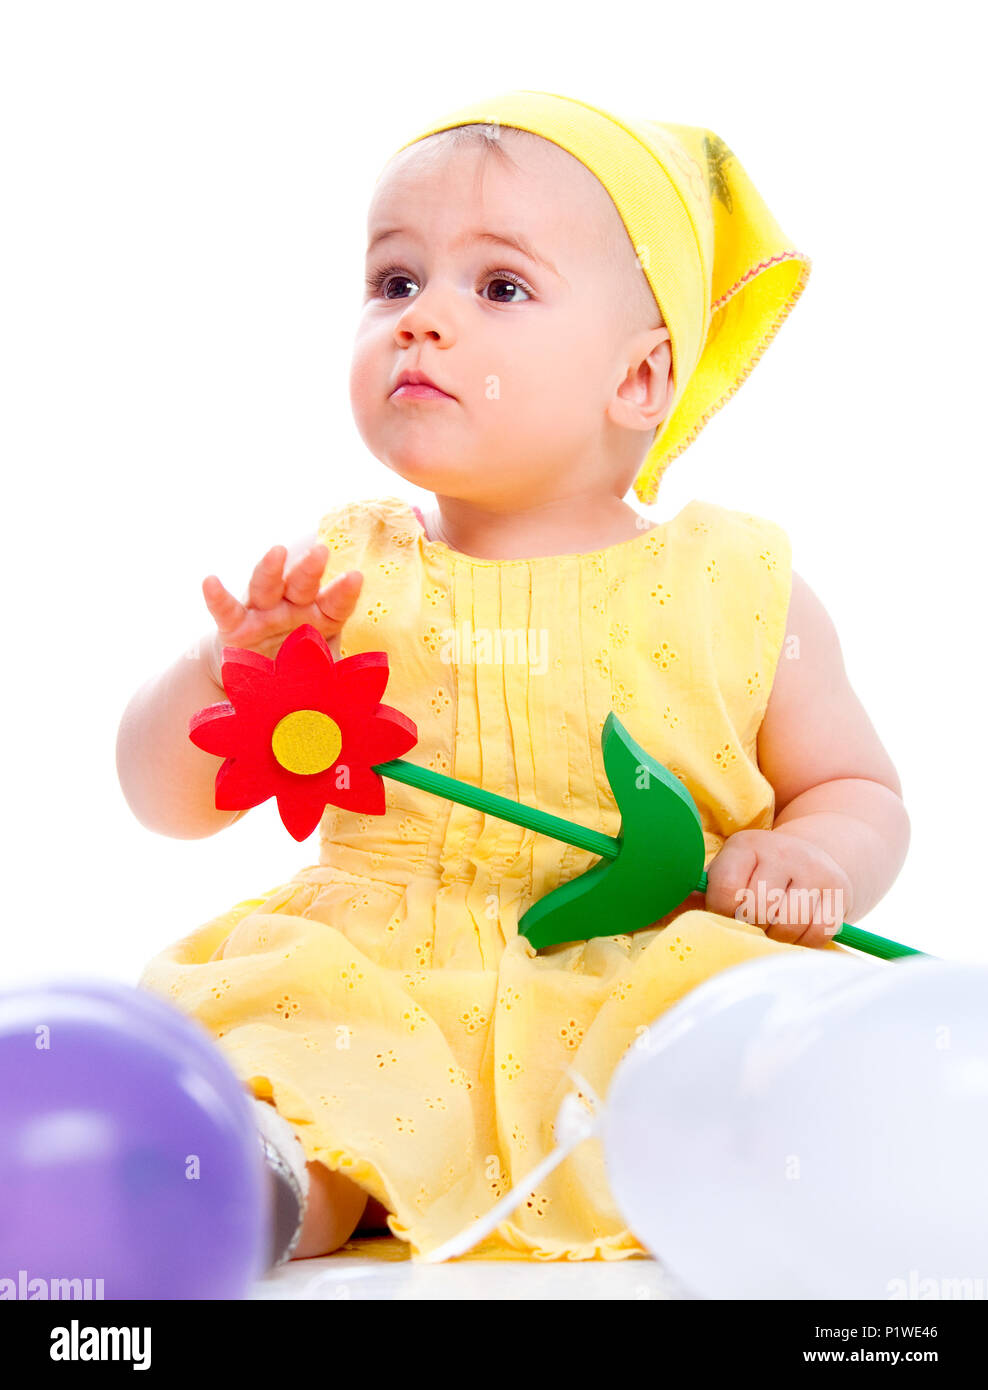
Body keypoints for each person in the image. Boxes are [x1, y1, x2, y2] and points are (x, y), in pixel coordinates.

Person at [118, 90, 910, 1265]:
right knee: (294, 1059)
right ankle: (272, 1187)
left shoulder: (738, 586)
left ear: (640, 380)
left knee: (745, 1056)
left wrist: (810, 858)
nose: (421, 322)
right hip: (381, 982)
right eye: (394, 281)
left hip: (647, 965)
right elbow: (164, 800)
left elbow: (859, 790)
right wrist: (218, 675)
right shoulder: (338, 577)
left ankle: (769, 1173)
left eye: (498, 288)